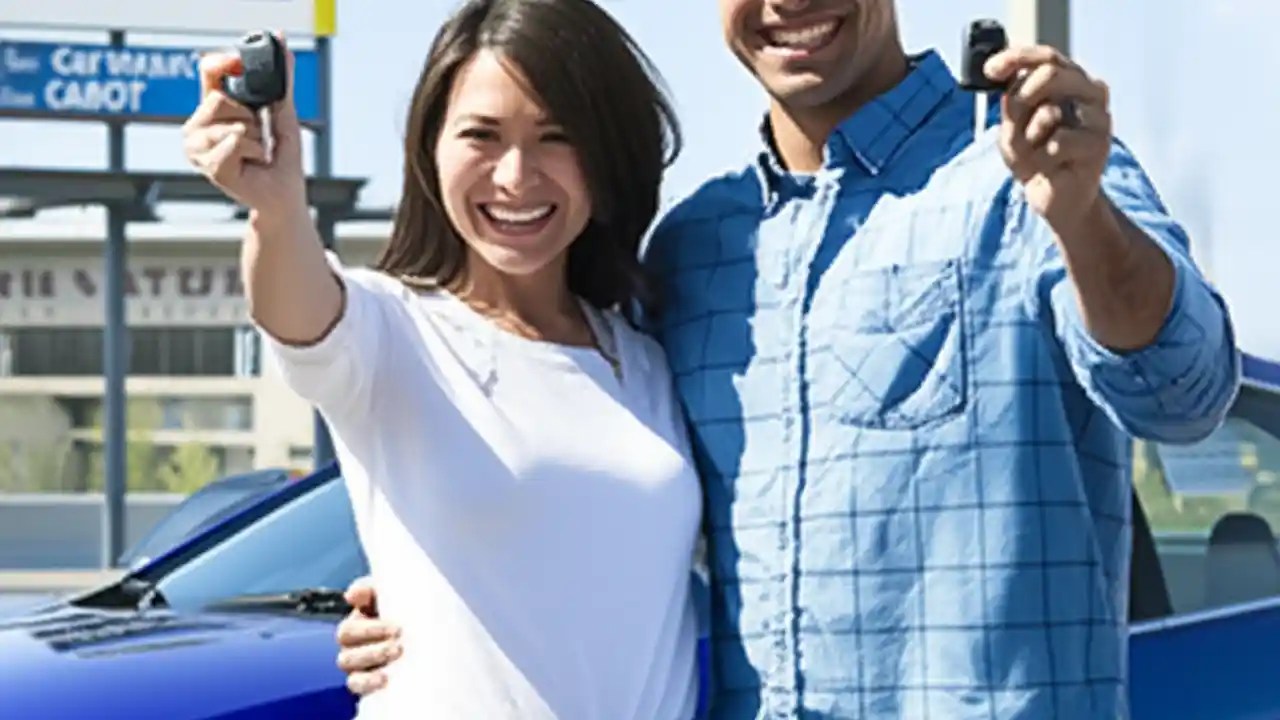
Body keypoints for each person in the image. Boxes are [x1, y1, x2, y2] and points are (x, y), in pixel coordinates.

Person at [336, 0, 1241, 718]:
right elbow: (623, 514)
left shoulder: (1032, 175)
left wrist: (1081, 219)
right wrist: (444, 592)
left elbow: (1186, 396)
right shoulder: (692, 250)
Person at [181, 1, 704, 718]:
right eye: (481, 136)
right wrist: (275, 206)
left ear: (607, 155)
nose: (516, 175)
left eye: (556, 138)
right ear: (431, 146)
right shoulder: (390, 329)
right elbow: (297, 311)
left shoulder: (645, 357)